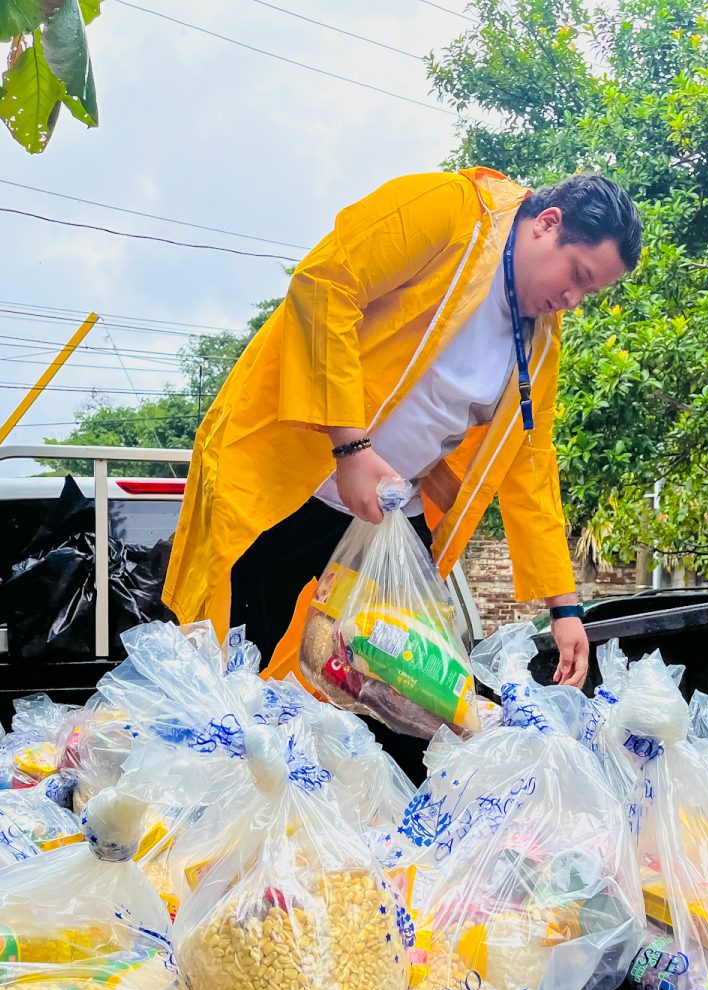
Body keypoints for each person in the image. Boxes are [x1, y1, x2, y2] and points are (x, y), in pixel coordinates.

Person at [163, 167, 642, 760]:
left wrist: (563, 608)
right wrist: (350, 447)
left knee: (411, 699)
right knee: (233, 675)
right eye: (577, 276)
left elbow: (530, 459)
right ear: (548, 224)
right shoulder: (449, 212)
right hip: (296, 484)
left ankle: (398, 838)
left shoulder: (539, 336)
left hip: (388, 515)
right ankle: (208, 816)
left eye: (588, 293)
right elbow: (325, 283)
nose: (572, 299)